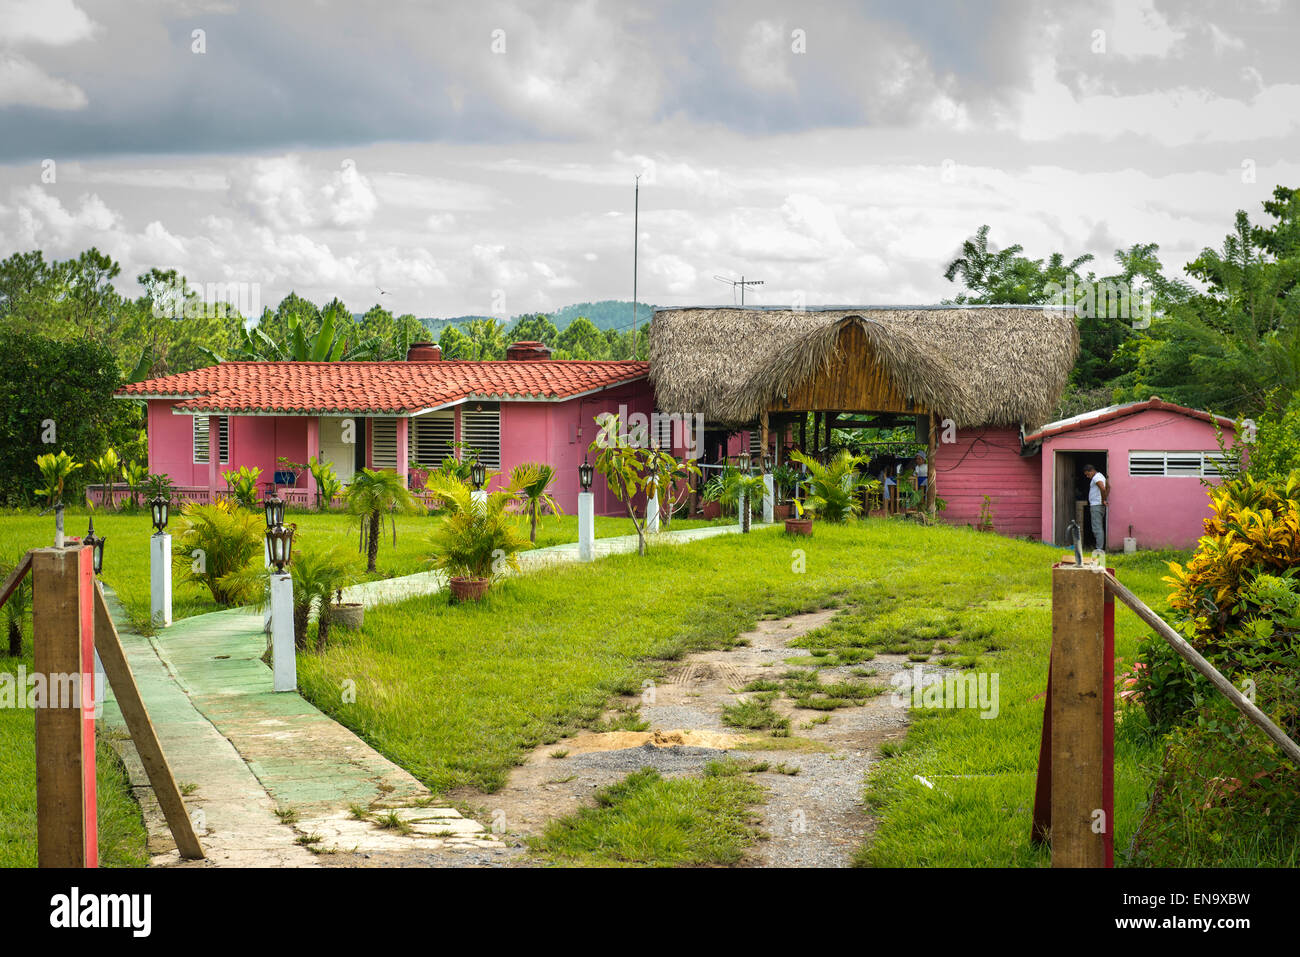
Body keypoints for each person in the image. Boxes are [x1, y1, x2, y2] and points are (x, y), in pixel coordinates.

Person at [1083, 463, 1108, 551]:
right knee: (1098, 527)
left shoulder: (1097, 477)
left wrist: (1103, 500)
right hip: (1098, 505)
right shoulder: (1100, 476)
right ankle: (1099, 547)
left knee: (1097, 528)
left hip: (1096, 505)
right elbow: (1109, 487)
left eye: (1087, 474)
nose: (1087, 476)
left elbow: (1103, 488)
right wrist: (1104, 499)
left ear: (1092, 471)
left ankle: (1099, 549)